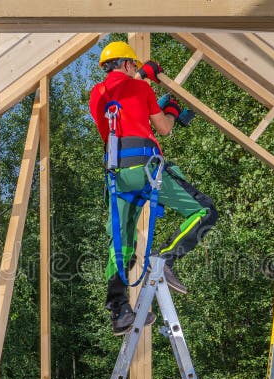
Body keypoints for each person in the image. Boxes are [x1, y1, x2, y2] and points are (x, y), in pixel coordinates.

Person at [89, 41, 218, 335]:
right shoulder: (141, 88)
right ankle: (166, 257)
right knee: (206, 211)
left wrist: (144, 78)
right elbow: (164, 128)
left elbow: (121, 108)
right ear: (127, 64)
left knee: (121, 243)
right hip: (146, 170)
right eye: (133, 65)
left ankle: (120, 310)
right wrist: (170, 109)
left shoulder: (96, 94)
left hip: (117, 176)